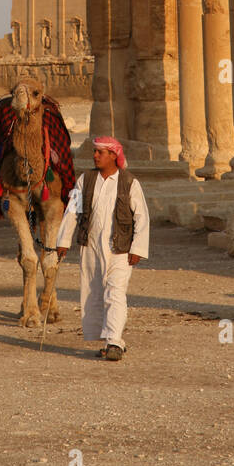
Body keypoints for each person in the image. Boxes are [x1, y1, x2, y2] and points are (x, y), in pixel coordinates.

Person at [56, 135, 149, 361]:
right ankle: (113, 340)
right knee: (94, 293)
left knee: (115, 292)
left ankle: (115, 342)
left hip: (120, 248)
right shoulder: (85, 180)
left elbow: (142, 216)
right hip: (91, 247)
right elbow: (72, 211)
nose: (95, 156)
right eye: (95, 152)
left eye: (100, 152)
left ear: (113, 155)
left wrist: (138, 248)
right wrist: (63, 241)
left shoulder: (129, 182)